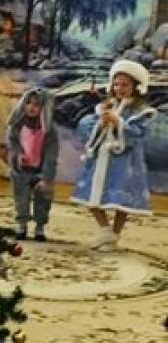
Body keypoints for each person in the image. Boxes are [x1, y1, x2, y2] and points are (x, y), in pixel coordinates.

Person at [70, 59, 158, 250]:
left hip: (126, 163)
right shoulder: (106, 106)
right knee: (92, 197)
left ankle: (114, 235)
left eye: (125, 85)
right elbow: (89, 129)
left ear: (136, 86)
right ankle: (106, 232)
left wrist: (119, 122)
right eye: (116, 84)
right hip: (101, 158)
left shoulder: (141, 112)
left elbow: (137, 135)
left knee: (121, 200)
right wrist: (101, 125)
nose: (119, 88)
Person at [5, 86, 59, 241]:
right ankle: (22, 225)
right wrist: (18, 156)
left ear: (43, 107)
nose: (31, 107)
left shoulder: (49, 130)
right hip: (21, 170)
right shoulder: (17, 125)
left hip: (40, 171)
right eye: (28, 103)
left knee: (43, 200)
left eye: (36, 104)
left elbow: (51, 155)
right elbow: (12, 143)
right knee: (21, 198)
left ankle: (39, 227)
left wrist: (46, 177)